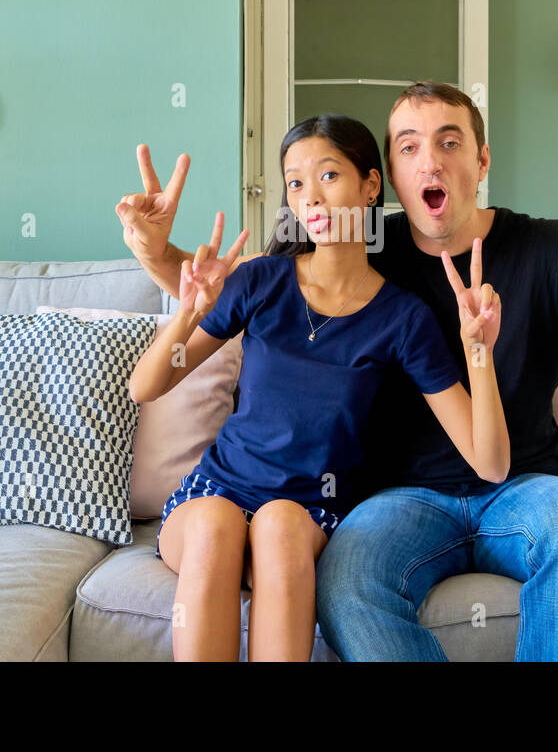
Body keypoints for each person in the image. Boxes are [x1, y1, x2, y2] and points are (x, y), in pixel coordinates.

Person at [117, 80, 558, 661]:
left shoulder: (553, 250)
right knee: (346, 582)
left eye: (451, 142)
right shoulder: (358, 243)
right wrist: (154, 249)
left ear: (481, 161)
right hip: (398, 498)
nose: (431, 160)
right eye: (410, 146)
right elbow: (246, 291)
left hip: (525, 487)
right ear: (389, 173)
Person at [127, 113, 511, 661]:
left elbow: (491, 463)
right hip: (214, 496)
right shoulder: (261, 280)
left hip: (311, 511)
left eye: (329, 176)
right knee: (216, 520)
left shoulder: (403, 318)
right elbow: (145, 387)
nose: (312, 198)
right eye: (296, 182)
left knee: (281, 522)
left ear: (370, 185)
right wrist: (191, 312)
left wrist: (478, 349)